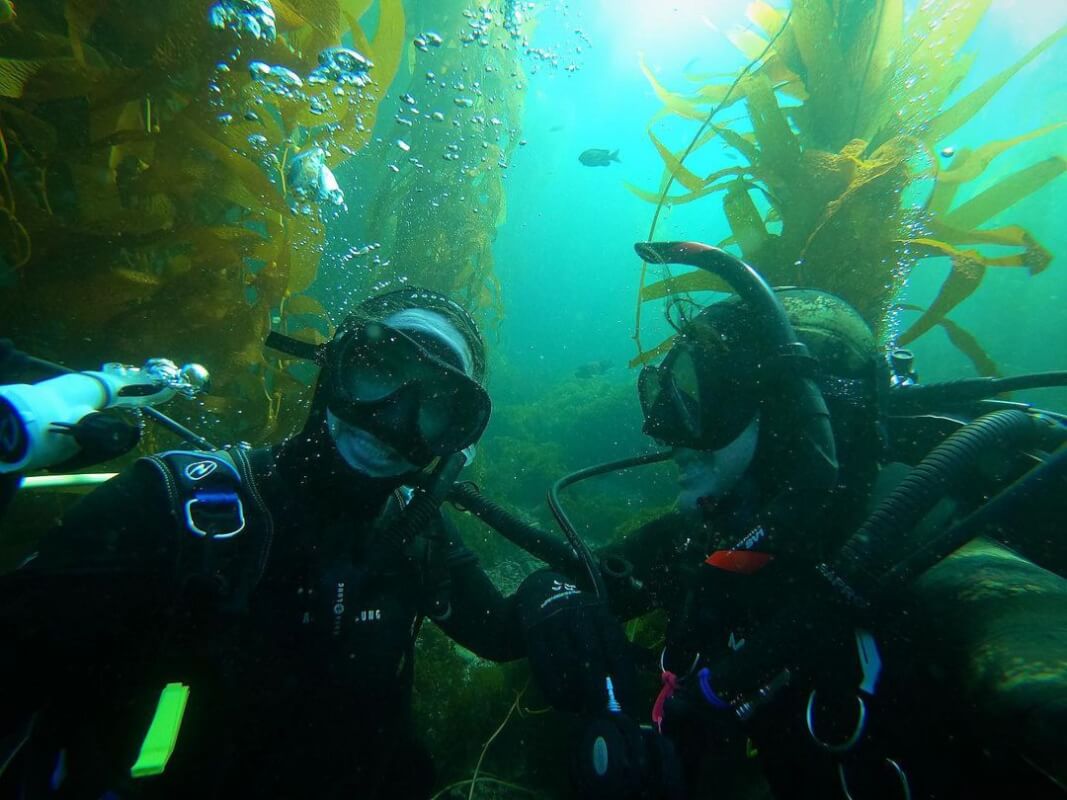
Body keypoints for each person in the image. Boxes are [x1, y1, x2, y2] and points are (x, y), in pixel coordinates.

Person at [0, 287, 598, 799]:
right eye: (379, 368)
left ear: (454, 439)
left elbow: (497, 633)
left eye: (437, 404)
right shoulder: (169, 512)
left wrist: (552, 594)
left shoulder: (415, 534)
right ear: (331, 367)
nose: (392, 419)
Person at [521, 242, 1067, 799]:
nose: (662, 428)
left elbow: (1037, 673)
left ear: (790, 418)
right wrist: (550, 597)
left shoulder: (947, 571)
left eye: (702, 398)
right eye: (668, 394)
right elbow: (552, 596)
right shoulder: (720, 536)